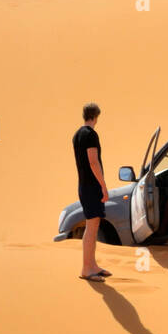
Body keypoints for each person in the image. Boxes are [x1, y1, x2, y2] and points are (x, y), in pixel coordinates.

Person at [72, 103, 111, 282]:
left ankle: (92, 265)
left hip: (84, 186)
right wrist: (103, 185)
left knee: (92, 227)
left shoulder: (77, 135)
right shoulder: (90, 134)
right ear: (96, 116)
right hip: (92, 186)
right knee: (92, 227)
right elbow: (93, 162)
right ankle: (87, 269)